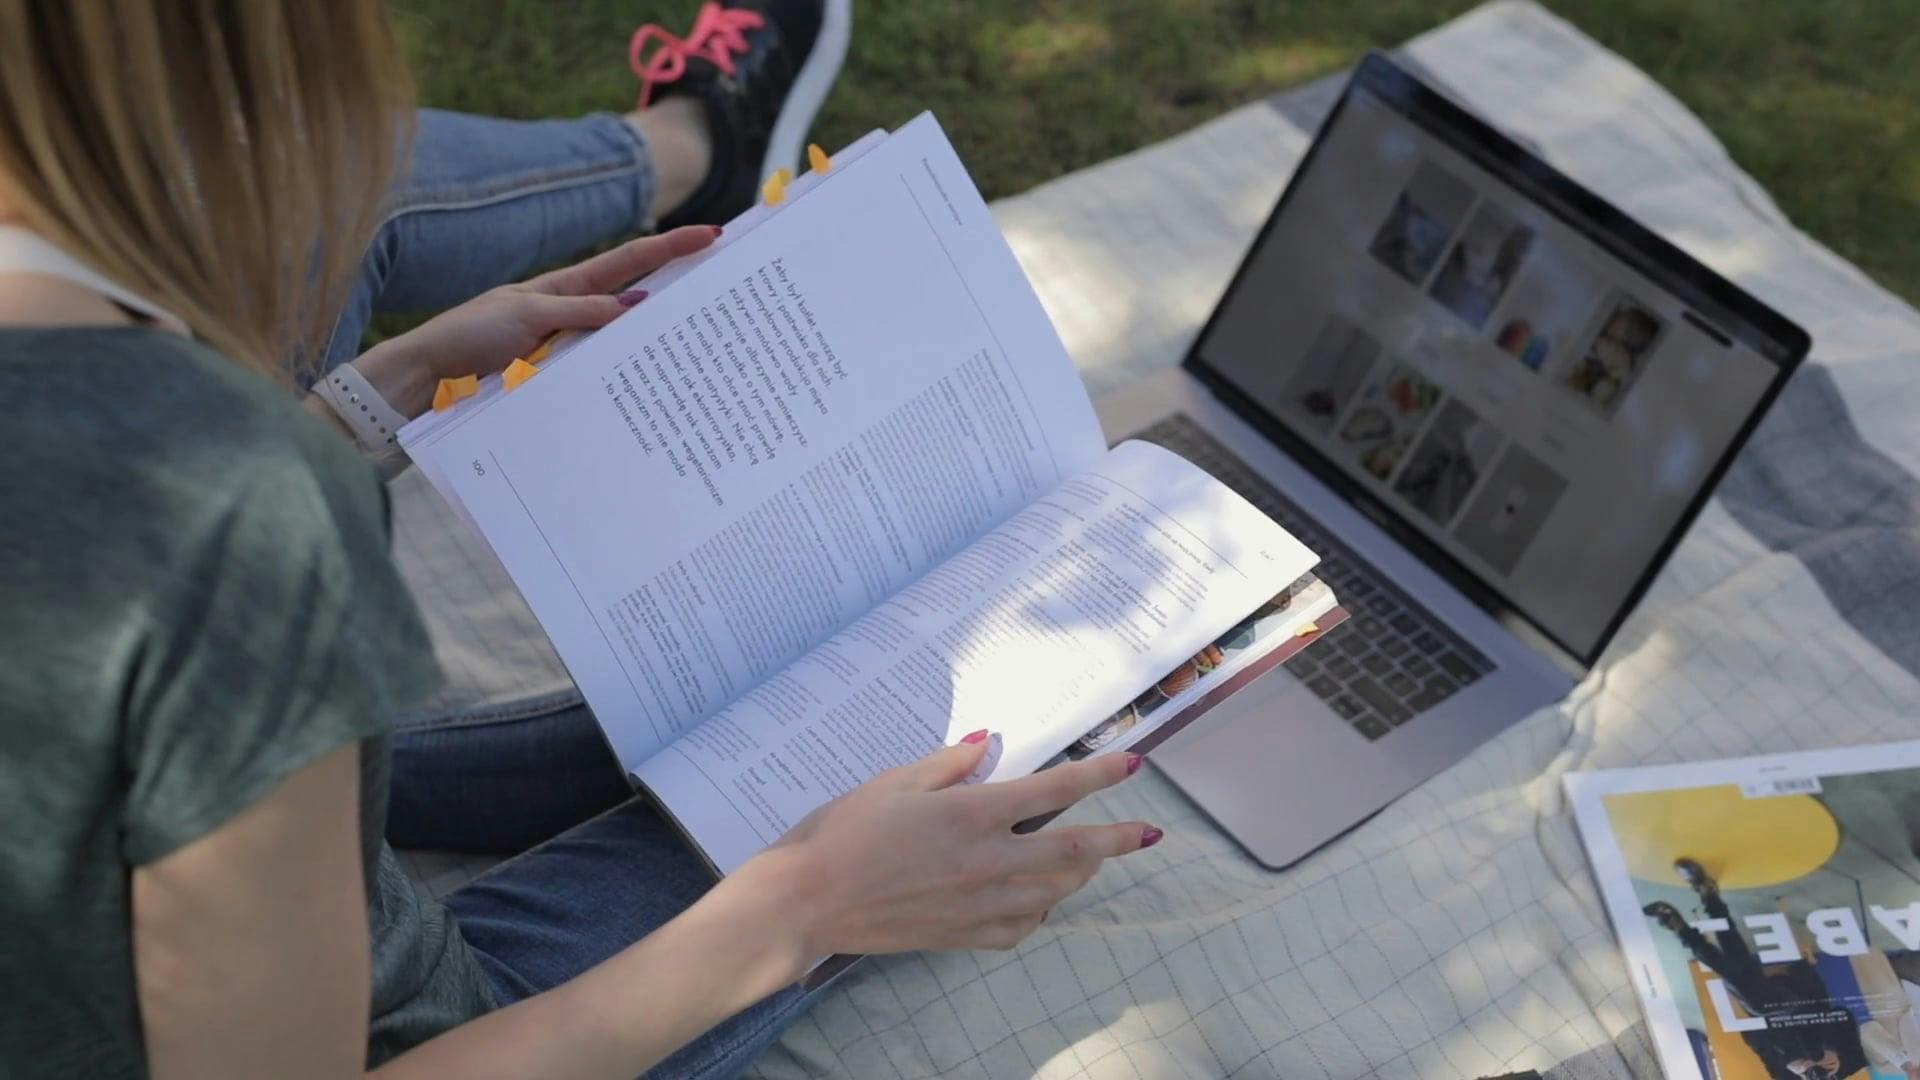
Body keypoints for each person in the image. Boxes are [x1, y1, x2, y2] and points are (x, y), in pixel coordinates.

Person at [0, 2, 1166, 1078]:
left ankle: (687, 145)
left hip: (116, 854)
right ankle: (687, 142)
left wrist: (380, 390)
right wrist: (804, 907)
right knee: (980, 764)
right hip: (415, 1026)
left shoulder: (170, 494)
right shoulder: (227, 530)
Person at [1643, 858, 1868, 1080]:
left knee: (1751, 988)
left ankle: (1706, 902)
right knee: (1746, 983)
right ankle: (1686, 926)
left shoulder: (1783, 1077)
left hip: (1761, 1003)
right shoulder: (1851, 1063)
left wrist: (1790, 1064)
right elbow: (1844, 1014)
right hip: (1803, 994)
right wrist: (1833, 1052)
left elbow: (1752, 1035)